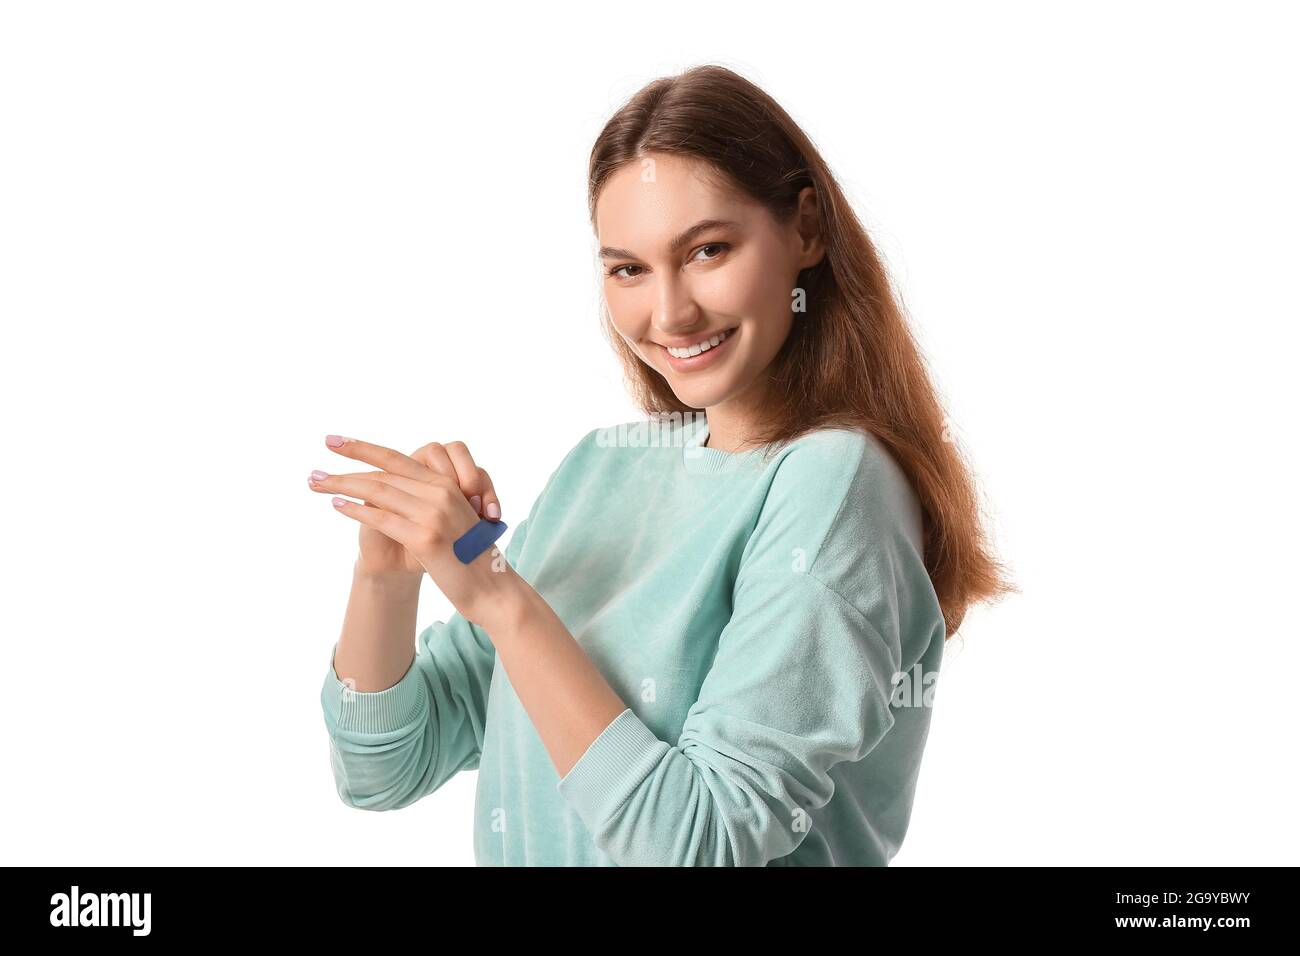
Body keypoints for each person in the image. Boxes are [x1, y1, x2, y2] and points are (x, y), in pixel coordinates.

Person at [313, 64, 1010, 866]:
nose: (670, 312)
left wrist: (499, 596)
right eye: (629, 269)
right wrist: (388, 576)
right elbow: (381, 770)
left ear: (807, 231)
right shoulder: (601, 473)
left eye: (708, 250)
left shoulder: (836, 483)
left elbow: (701, 844)